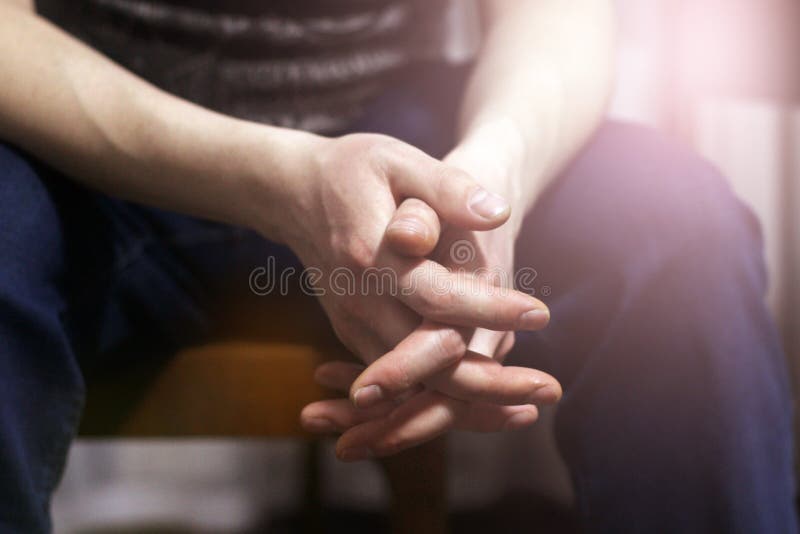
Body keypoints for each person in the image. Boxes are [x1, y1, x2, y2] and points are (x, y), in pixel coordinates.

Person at [0, 0, 795, 532]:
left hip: (401, 135)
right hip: (91, 139)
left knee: (678, 226)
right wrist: (283, 179)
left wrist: (492, 181)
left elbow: (558, 19)